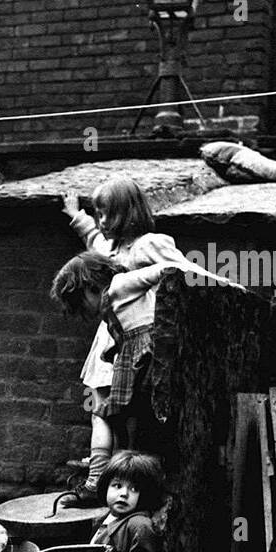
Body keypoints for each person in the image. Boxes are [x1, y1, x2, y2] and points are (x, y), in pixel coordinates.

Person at [60, 176, 209, 504]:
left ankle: (129, 486)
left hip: (142, 336)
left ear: (129, 213)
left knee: (132, 417)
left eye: (107, 214)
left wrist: (224, 284)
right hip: (111, 339)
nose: (101, 222)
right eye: (98, 214)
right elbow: (92, 238)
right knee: (102, 410)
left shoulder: (149, 244)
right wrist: (77, 214)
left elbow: (184, 271)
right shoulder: (110, 249)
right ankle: (100, 481)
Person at [50, 248, 242, 491]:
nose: (87, 310)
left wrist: (220, 282)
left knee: (140, 420)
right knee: (118, 418)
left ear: (90, 285)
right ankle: (122, 478)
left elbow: (167, 269)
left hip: (148, 358)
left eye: (82, 303)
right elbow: (125, 335)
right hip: (130, 362)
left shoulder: (121, 284)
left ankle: (136, 479)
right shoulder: (110, 306)